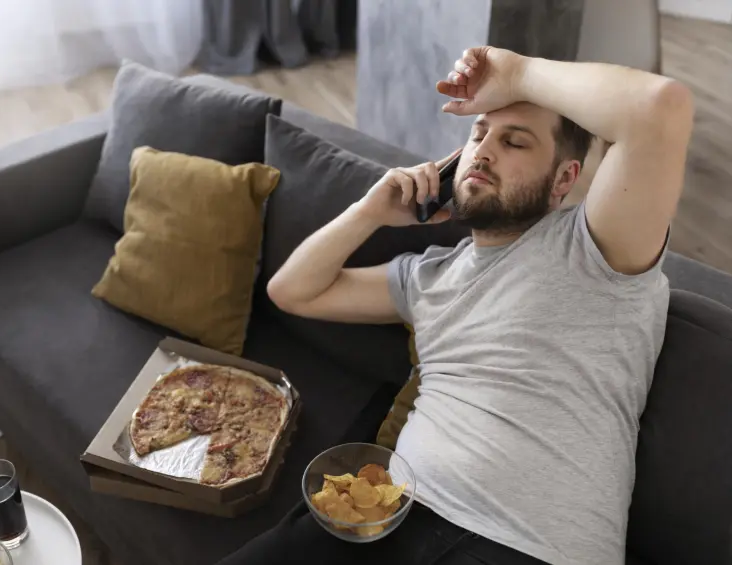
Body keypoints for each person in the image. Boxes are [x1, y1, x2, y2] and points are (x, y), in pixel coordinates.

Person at [219, 46, 694, 565]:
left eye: (514, 142)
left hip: (520, 546)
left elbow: (660, 107)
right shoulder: (427, 275)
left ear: (563, 181)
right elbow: (292, 291)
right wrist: (369, 211)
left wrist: (517, 75)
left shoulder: (594, 246)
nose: (485, 151)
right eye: (478, 136)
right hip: (382, 520)